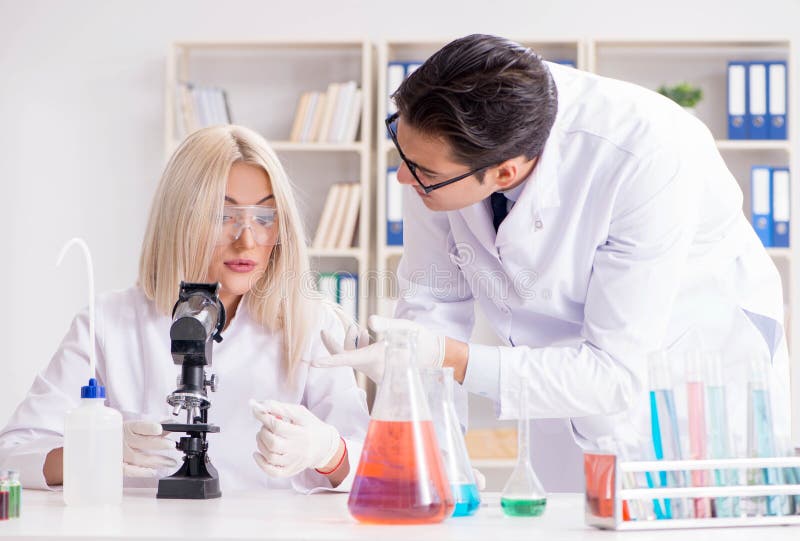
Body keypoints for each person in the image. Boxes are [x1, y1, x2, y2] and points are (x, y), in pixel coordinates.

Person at [317, 34, 791, 490]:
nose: (403, 176)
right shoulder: (450, 136)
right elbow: (433, 297)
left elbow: (613, 373)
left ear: (504, 171)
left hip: (682, 377)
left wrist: (451, 360)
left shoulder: (648, 155)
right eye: (402, 147)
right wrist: (435, 450)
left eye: (423, 171)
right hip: (555, 376)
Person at [0, 125, 369, 493]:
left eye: (265, 217)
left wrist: (328, 452)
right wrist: (94, 450)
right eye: (222, 215)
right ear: (179, 218)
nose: (247, 239)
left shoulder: (310, 323)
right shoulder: (108, 323)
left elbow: (373, 471)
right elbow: (12, 458)